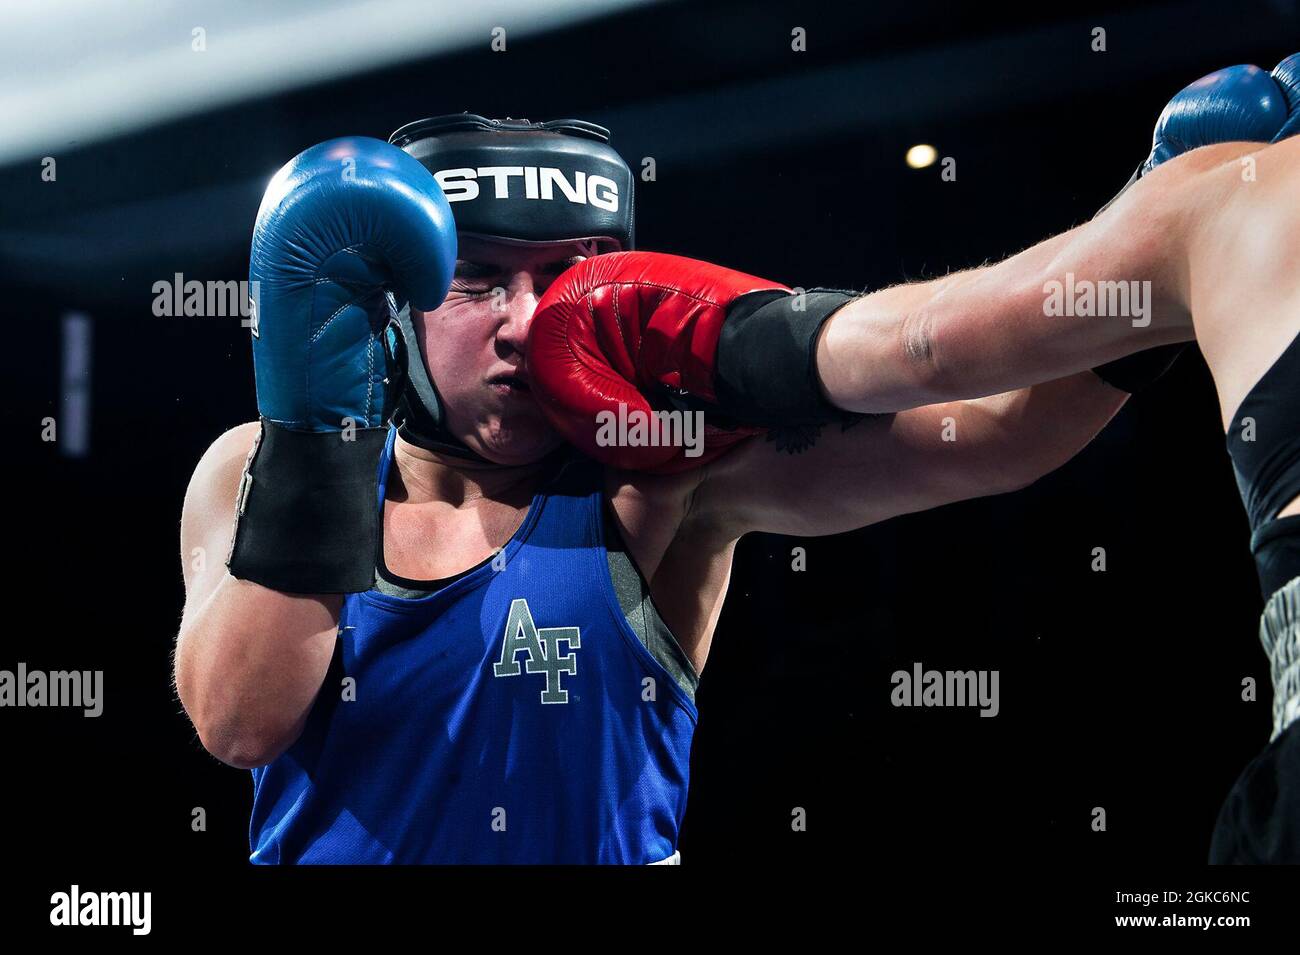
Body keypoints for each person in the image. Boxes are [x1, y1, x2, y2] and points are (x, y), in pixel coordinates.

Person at [173, 52, 1293, 862]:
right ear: (388, 302)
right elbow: (238, 721)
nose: (522, 320)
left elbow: (993, 431)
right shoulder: (252, 467)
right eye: (474, 281)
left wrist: (1151, 254)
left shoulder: (663, 470)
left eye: (558, 276)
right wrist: (319, 430)